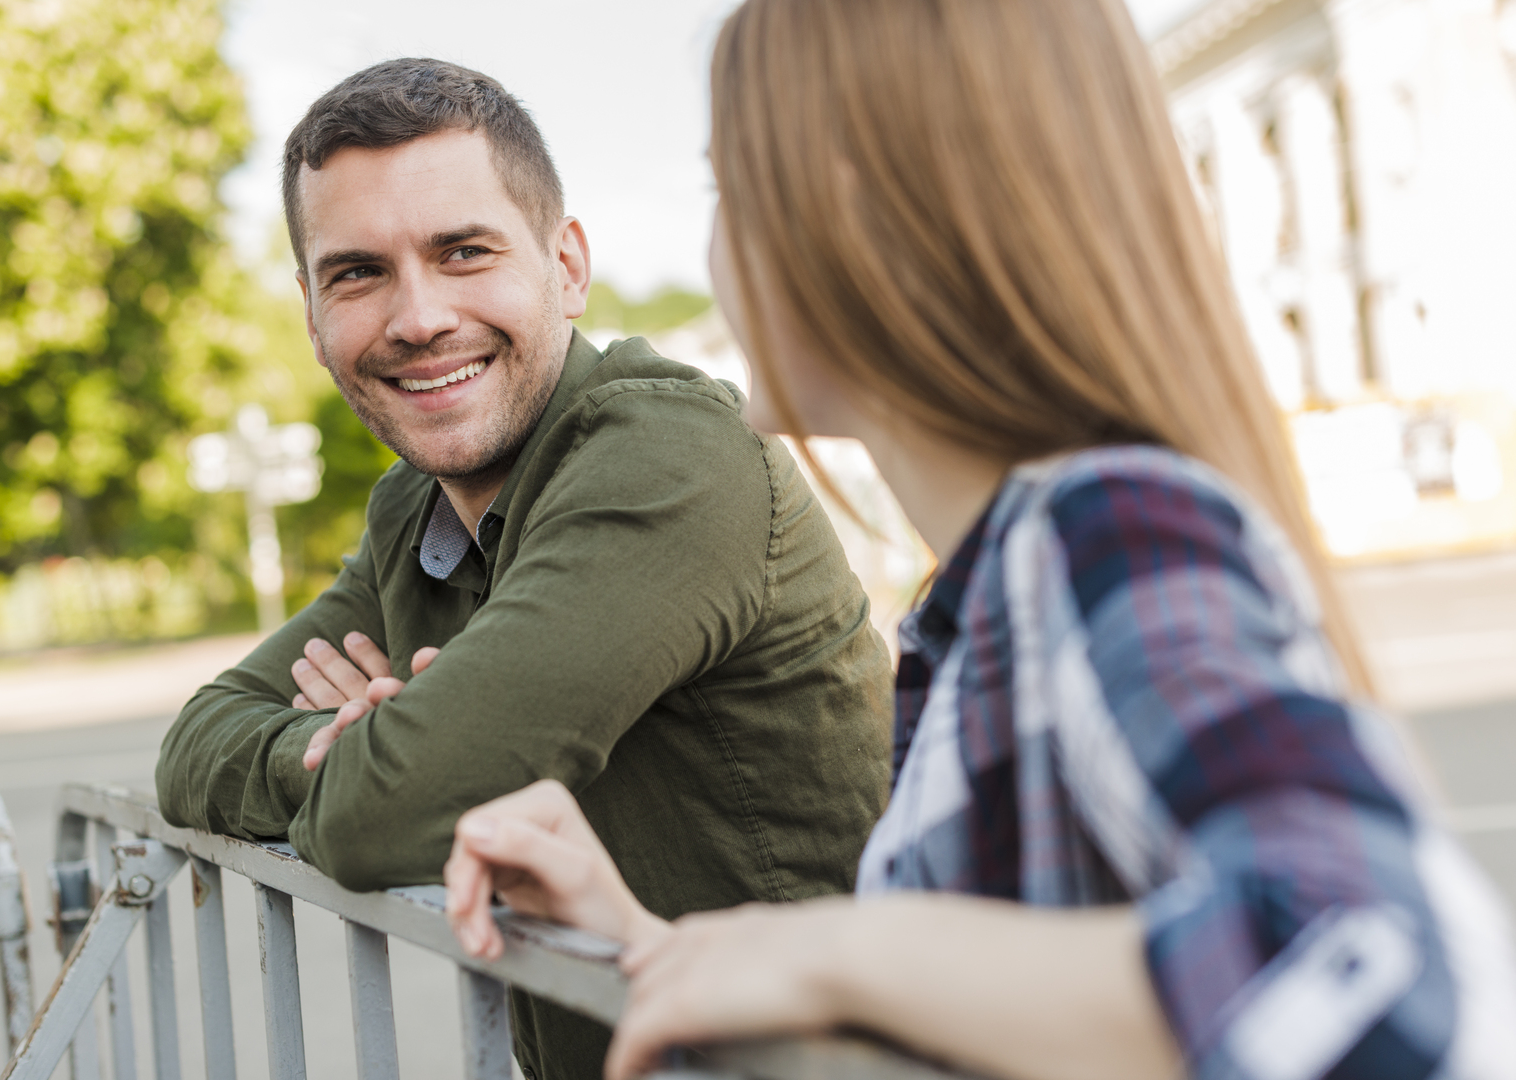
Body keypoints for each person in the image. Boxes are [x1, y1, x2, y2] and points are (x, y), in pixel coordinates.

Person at [440, 2, 1516, 1079]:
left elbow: (1378, 968)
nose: (713, 243)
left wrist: (837, 948)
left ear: (860, 214)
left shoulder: (1101, 535)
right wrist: (656, 950)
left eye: (732, 186)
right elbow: (1011, 1011)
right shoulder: (988, 599)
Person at [153, 58, 895, 1080]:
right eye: (357, 272)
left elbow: (384, 817)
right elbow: (193, 746)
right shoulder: (415, 512)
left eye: (463, 251)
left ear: (567, 266)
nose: (417, 318)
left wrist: (388, 762)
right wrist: (326, 751)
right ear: (313, 312)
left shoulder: (669, 456)